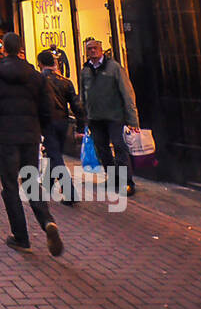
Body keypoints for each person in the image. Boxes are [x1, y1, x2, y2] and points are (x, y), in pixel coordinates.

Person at [0, 33, 62, 256]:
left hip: (7, 138)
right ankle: (47, 221)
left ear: (4, 49)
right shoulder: (36, 77)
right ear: (20, 49)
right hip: (30, 137)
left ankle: (21, 236)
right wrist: (40, 129)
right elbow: (47, 108)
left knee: (9, 186)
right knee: (30, 181)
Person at [80, 38, 140, 197]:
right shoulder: (85, 70)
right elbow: (83, 96)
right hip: (95, 118)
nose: (92, 51)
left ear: (101, 50)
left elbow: (127, 93)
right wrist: (85, 118)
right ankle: (113, 177)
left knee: (120, 147)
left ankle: (127, 182)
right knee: (102, 149)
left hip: (114, 116)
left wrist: (133, 119)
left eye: (95, 48)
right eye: (90, 49)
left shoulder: (114, 68)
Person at [37, 50, 85, 204]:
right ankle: (47, 184)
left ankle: (70, 192)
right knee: (54, 153)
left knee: (56, 156)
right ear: (55, 63)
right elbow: (77, 106)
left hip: (47, 122)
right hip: (63, 122)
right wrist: (80, 127)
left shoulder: (39, 80)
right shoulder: (66, 81)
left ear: (40, 64)